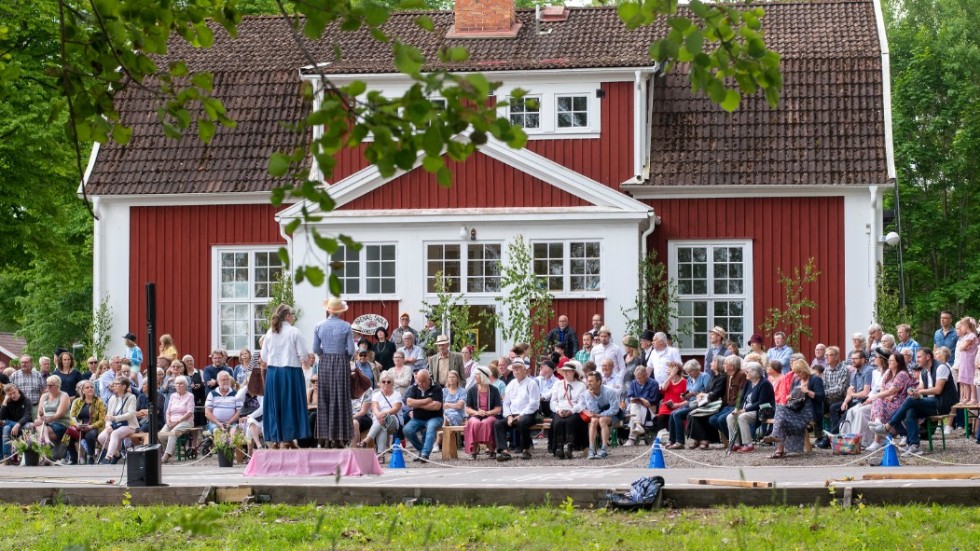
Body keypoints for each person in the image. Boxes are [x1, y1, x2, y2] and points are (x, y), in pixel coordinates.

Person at [873, 348, 957, 455]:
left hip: (943, 404)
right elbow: (920, 389)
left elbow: (938, 390)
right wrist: (913, 391)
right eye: (917, 357)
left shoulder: (941, 367)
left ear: (928, 357)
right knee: (910, 411)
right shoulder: (923, 372)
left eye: (919, 357)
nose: (916, 360)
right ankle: (914, 445)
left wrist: (919, 392)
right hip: (930, 403)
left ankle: (888, 426)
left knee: (910, 401)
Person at [262, 304, 312, 448]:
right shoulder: (294, 332)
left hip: (273, 373)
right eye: (292, 314)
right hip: (290, 372)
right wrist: (305, 361)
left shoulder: (270, 333)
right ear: (288, 316)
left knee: (276, 404)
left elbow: (264, 357)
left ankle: (280, 438)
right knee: (290, 404)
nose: (294, 317)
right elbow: (303, 354)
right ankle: (289, 437)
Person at [769, 360, 824, 458]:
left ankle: (775, 438)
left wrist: (807, 391)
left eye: (798, 373)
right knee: (781, 418)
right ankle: (779, 450)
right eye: (796, 373)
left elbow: (821, 397)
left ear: (803, 370)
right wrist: (791, 396)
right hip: (797, 409)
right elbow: (795, 394)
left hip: (809, 411)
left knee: (780, 411)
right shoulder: (798, 380)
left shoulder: (815, 379)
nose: (797, 375)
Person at [864, 350, 915, 452]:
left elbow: (892, 391)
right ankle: (878, 425)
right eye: (889, 360)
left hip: (900, 403)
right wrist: (883, 396)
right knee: (878, 401)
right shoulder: (888, 373)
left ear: (898, 362)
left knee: (877, 400)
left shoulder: (902, 374)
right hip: (888, 401)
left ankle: (877, 440)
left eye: (891, 360)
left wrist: (875, 396)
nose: (889, 362)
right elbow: (883, 390)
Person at [494, 359, 539, 461]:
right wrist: (509, 416)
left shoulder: (531, 383)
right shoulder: (511, 384)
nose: (516, 371)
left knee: (522, 422)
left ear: (524, 370)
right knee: (498, 424)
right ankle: (504, 451)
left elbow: (534, 403)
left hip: (529, 413)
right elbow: (505, 402)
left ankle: (526, 450)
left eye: (518, 369)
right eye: (514, 369)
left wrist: (520, 415)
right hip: (513, 414)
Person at [727, 361, 774, 452]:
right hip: (746, 409)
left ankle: (748, 444)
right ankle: (735, 443)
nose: (745, 373)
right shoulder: (748, 383)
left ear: (754, 372)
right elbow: (742, 398)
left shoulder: (764, 384)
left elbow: (761, 402)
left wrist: (744, 410)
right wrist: (738, 408)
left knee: (742, 417)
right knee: (730, 417)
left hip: (761, 411)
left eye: (747, 372)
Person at [666, 360, 711, 449]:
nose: (688, 374)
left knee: (677, 414)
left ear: (696, 369)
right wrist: (684, 397)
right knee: (672, 413)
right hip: (690, 402)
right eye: (687, 372)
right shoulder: (690, 379)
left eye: (690, 372)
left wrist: (695, 394)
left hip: (700, 403)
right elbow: (688, 394)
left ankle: (680, 442)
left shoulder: (704, 376)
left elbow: (708, 392)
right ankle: (672, 440)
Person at [357, 372, 402, 461]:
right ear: (380, 383)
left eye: (388, 382)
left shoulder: (397, 394)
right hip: (380, 421)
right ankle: (381, 455)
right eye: (383, 381)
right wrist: (379, 414)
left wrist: (383, 414)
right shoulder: (376, 394)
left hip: (393, 420)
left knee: (383, 420)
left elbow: (395, 409)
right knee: (382, 427)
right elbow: (374, 408)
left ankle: (366, 440)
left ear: (392, 383)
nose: (386, 383)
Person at [687, 356, 728, 450]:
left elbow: (717, 393)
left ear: (719, 364)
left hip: (717, 404)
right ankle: (697, 439)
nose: (710, 363)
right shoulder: (713, 376)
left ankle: (705, 439)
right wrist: (701, 394)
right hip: (708, 402)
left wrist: (705, 395)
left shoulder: (722, 377)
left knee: (698, 413)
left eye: (713, 361)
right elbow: (707, 390)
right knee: (693, 412)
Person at [402, 369, 443, 462]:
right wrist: (426, 401)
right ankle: (422, 449)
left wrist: (417, 404)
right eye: (418, 381)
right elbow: (409, 402)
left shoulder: (437, 388)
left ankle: (425, 454)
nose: (420, 384)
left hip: (435, 417)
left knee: (431, 427)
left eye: (423, 382)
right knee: (407, 430)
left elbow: (436, 406)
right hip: (418, 418)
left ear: (429, 379)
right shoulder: (414, 387)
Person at [579, 371, 620, 460]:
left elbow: (615, 409)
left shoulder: (610, 391)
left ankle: (604, 448)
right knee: (594, 421)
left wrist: (601, 415)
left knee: (602, 420)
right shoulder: (587, 393)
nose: (588, 383)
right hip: (599, 414)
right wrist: (592, 397)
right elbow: (594, 411)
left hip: (614, 414)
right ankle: (591, 449)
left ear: (599, 382)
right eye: (588, 381)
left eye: (591, 381)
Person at [549, 361, 587, 459]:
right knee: (557, 422)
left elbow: (582, 403)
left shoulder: (581, 385)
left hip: (574, 411)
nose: (565, 373)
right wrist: (558, 410)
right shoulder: (558, 384)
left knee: (571, 421)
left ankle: (569, 447)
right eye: (564, 371)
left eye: (568, 371)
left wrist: (572, 410)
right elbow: (553, 401)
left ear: (574, 372)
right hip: (560, 410)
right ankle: (559, 447)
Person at [830, 350, 873, 434]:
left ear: (863, 360)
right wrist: (845, 402)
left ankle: (832, 435)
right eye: (852, 358)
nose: (852, 361)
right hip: (855, 400)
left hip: (864, 401)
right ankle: (839, 433)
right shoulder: (854, 372)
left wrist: (852, 394)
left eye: (855, 358)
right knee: (834, 408)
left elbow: (865, 393)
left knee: (848, 411)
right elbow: (850, 390)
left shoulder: (868, 371)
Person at [464, 365, 502, 459]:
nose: (475, 377)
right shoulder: (472, 390)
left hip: (490, 415)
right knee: (474, 422)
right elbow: (467, 409)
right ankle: (473, 451)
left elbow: (498, 409)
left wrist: (487, 413)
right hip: (475, 415)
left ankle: (491, 450)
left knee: (487, 422)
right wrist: (477, 412)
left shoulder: (494, 390)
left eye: (477, 375)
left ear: (483, 376)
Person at [707, 355, 747, 447]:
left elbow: (743, 393)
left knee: (722, 419)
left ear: (732, 366)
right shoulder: (728, 376)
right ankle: (732, 439)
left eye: (725, 364)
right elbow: (726, 393)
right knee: (712, 419)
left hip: (737, 406)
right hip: (727, 405)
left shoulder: (741, 375)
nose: (723, 365)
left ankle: (736, 441)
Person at [97, 376, 137, 464]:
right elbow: (108, 415)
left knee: (114, 433)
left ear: (124, 387)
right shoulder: (112, 398)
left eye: (116, 384)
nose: (113, 386)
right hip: (115, 425)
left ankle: (108, 457)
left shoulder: (131, 397)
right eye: (113, 384)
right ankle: (117, 454)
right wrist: (108, 425)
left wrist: (115, 418)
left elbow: (131, 414)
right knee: (101, 437)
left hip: (128, 425)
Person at [814, 346, 848, 448]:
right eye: (826, 355)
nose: (826, 357)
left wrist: (823, 393)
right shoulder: (826, 370)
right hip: (828, 398)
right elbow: (823, 386)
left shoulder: (843, 370)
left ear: (837, 357)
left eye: (829, 355)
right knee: (815, 405)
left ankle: (829, 438)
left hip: (841, 399)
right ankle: (819, 436)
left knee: (832, 407)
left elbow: (840, 389)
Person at [35, 375, 73, 462]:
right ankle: (47, 442)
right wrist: (40, 419)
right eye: (47, 385)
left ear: (57, 385)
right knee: (38, 424)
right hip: (45, 423)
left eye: (50, 385)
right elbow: (39, 413)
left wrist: (46, 420)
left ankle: (44, 457)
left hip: (60, 422)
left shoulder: (64, 395)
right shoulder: (44, 396)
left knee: (39, 429)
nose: (47, 387)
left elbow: (59, 414)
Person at [158, 376, 194, 463]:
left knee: (173, 433)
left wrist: (177, 422)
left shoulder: (190, 396)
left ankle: (166, 455)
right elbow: (168, 411)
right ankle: (168, 450)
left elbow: (190, 412)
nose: (178, 385)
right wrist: (168, 421)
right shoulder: (173, 396)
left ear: (186, 385)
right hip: (172, 421)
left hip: (185, 421)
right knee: (161, 435)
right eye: (177, 384)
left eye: (181, 384)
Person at [69, 380, 105, 464]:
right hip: (80, 425)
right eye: (87, 388)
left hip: (93, 426)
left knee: (90, 435)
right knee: (68, 434)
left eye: (92, 387)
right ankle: (74, 458)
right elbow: (71, 416)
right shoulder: (77, 401)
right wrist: (76, 425)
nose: (90, 389)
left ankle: (91, 455)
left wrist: (91, 426)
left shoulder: (99, 402)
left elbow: (102, 419)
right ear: (83, 391)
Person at [623, 366, 659, 446]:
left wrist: (642, 400)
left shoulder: (654, 383)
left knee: (634, 407)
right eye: (637, 378)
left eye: (640, 378)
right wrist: (632, 399)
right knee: (634, 405)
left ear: (646, 375)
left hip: (649, 408)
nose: (638, 380)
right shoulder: (633, 382)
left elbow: (652, 401)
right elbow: (629, 396)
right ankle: (638, 425)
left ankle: (631, 439)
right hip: (636, 408)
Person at [0, 384, 32, 461]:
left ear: (17, 389)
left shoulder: (26, 400)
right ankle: (7, 458)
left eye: (14, 392)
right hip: (12, 426)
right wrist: (5, 402)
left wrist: (17, 425)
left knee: (27, 426)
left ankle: (26, 457)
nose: (13, 396)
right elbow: (1, 418)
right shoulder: (8, 402)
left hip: (24, 424)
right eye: (10, 394)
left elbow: (28, 416)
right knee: (6, 428)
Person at [237, 367, 265, 454]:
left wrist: (249, 416)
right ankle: (256, 448)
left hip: (261, 419)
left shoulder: (261, 392)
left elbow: (262, 409)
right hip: (246, 421)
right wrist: (246, 387)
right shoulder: (244, 391)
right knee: (249, 426)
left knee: (250, 422)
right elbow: (237, 398)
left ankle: (250, 453)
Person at [655, 362, 687, 435]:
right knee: (662, 416)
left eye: (669, 368)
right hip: (666, 405)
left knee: (672, 416)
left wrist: (677, 405)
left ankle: (671, 437)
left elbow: (686, 397)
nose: (667, 370)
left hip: (677, 405)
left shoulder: (684, 382)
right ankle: (660, 437)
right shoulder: (668, 381)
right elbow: (663, 388)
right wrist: (670, 376)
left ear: (675, 370)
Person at [954, 317, 978, 405]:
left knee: (970, 379)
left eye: (962, 326)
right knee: (964, 379)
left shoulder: (972, 335)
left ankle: (973, 397)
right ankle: (966, 398)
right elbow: (963, 347)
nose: (961, 329)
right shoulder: (966, 336)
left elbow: (963, 347)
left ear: (967, 326)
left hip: (970, 360)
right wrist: (963, 347)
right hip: (964, 360)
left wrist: (963, 347)